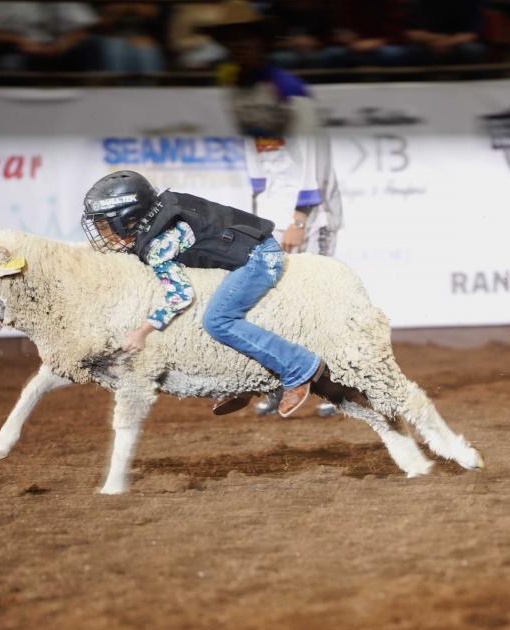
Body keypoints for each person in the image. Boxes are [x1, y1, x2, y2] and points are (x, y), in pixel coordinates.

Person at [80, 170, 325, 418]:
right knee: (211, 317)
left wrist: (142, 331)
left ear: (128, 220)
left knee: (217, 321)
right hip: (245, 254)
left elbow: (180, 296)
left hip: (261, 258)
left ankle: (300, 368)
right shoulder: (161, 211)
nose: (102, 234)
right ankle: (247, 379)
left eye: (104, 225)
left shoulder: (159, 244)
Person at [207, 1, 344, 415]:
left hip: (309, 209)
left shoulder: (289, 89)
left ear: (263, 43)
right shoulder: (240, 89)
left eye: (248, 39)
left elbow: (312, 157)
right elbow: (255, 155)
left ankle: (338, 385)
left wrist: (300, 218)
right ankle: (279, 377)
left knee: (316, 299)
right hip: (271, 208)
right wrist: (256, 214)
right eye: (234, 41)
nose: (241, 48)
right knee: (271, 299)